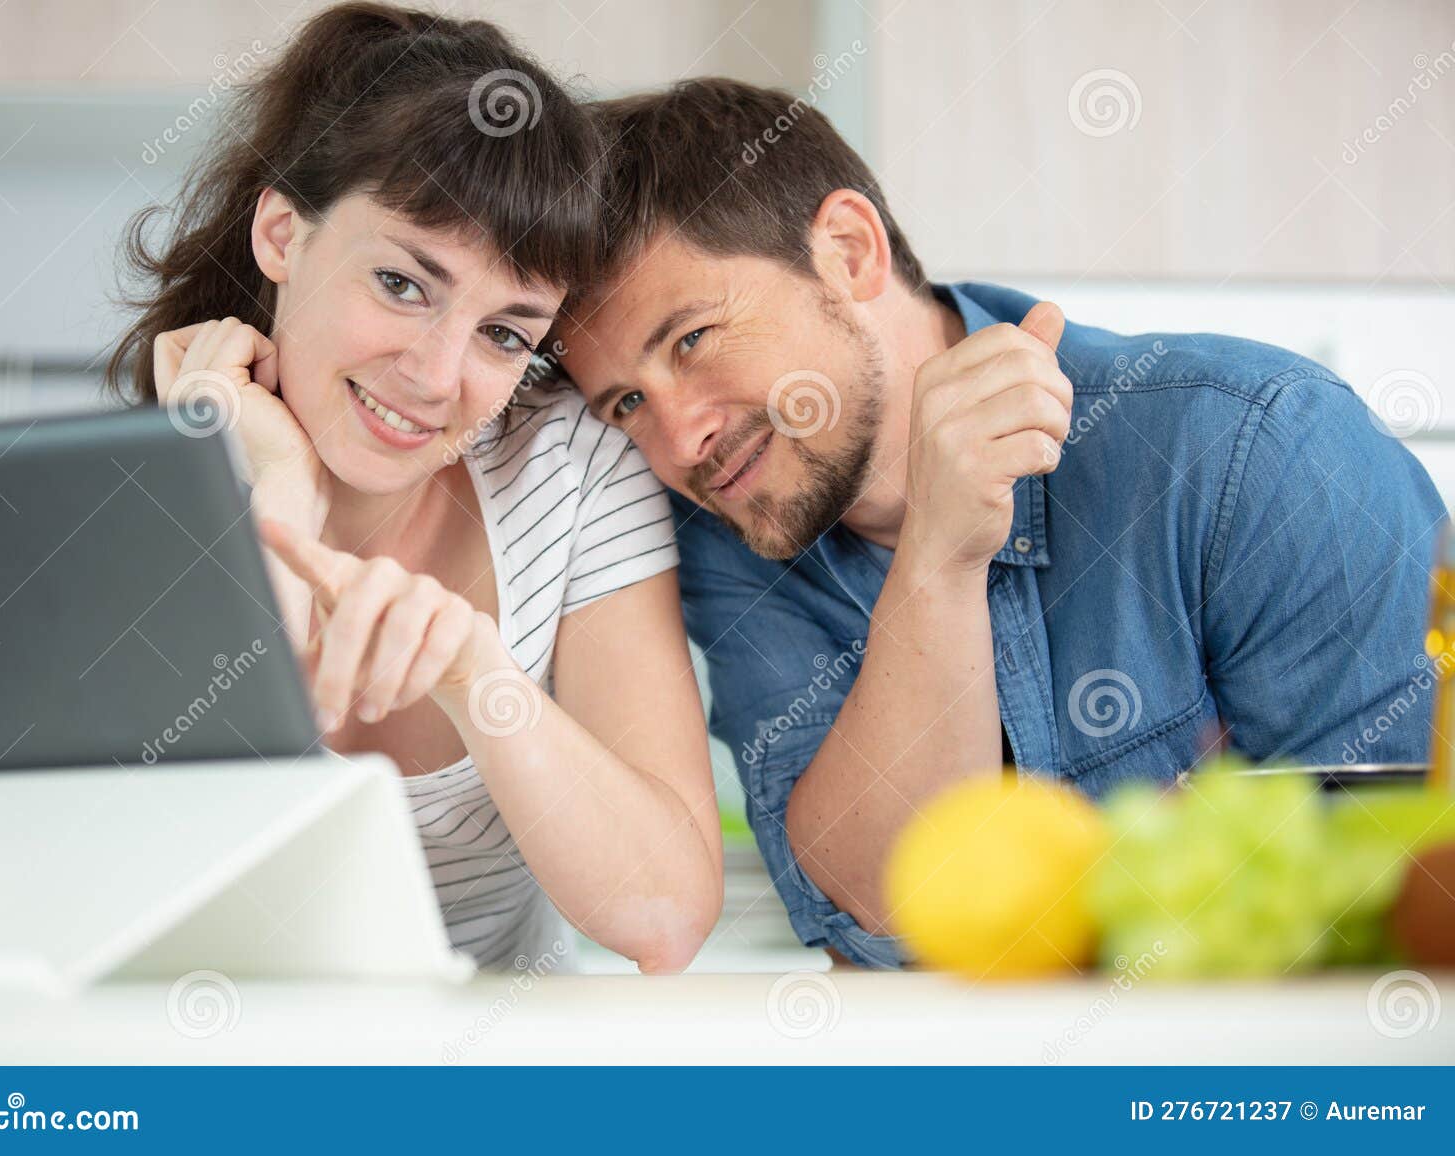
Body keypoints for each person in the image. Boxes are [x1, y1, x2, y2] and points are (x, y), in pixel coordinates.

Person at [553, 78, 1448, 968]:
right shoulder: (735, 538)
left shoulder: (1255, 446)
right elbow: (877, 905)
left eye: (693, 340)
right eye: (627, 402)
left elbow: (1401, 906)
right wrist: (939, 559)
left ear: (849, 253)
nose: (681, 440)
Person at [106, 4, 721, 973]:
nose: (437, 378)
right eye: (402, 284)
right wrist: (277, 495)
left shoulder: (568, 471)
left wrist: (480, 677)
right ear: (282, 233)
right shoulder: (133, 483)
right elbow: (150, 888)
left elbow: (666, 917)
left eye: (504, 334)